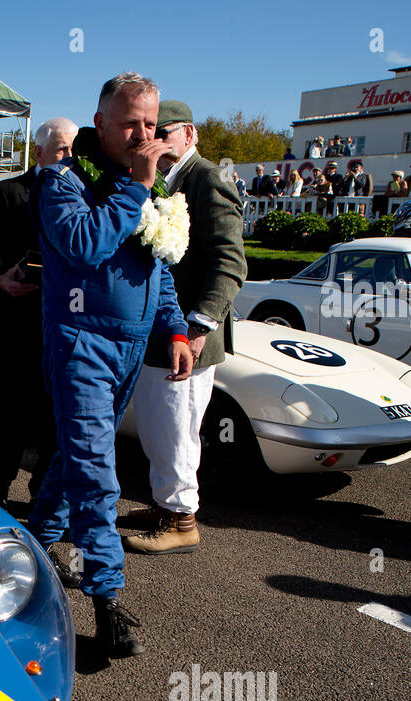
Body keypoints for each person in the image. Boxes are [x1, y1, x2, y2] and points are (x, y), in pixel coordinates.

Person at [26, 72, 192, 659]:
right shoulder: (64, 182)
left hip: (129, 347)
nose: (143, 134)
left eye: (150, 124)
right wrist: (135, 190)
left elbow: (158, 267)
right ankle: (108, 597)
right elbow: (84, 245)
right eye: (131, 124)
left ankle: (36, 542)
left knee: (76, 458)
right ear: (101, 124)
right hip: (81, 347)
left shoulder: (146, 188)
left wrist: (173, 327)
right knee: (97, 471)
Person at [124, 99, 245, 556]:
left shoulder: (207, 178)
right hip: (161, 333)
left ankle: (182, 520)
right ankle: (164, 505)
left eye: (164, 131)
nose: (153, 140)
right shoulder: (161, 182)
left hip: (188, 337)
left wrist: (199, 326)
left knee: (176, 427)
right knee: (157, 426)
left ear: (189, 134)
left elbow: (230, 262)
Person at [0, 118, 75, 509]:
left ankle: (42, 496)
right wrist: (1, 279)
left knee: (54, 415)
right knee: (14, 412)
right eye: (61, 149)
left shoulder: (81, 194)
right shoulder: (10, 192)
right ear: (39, 152)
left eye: (72, 150)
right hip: (20, 320)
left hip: (65, 323)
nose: (68, 157)